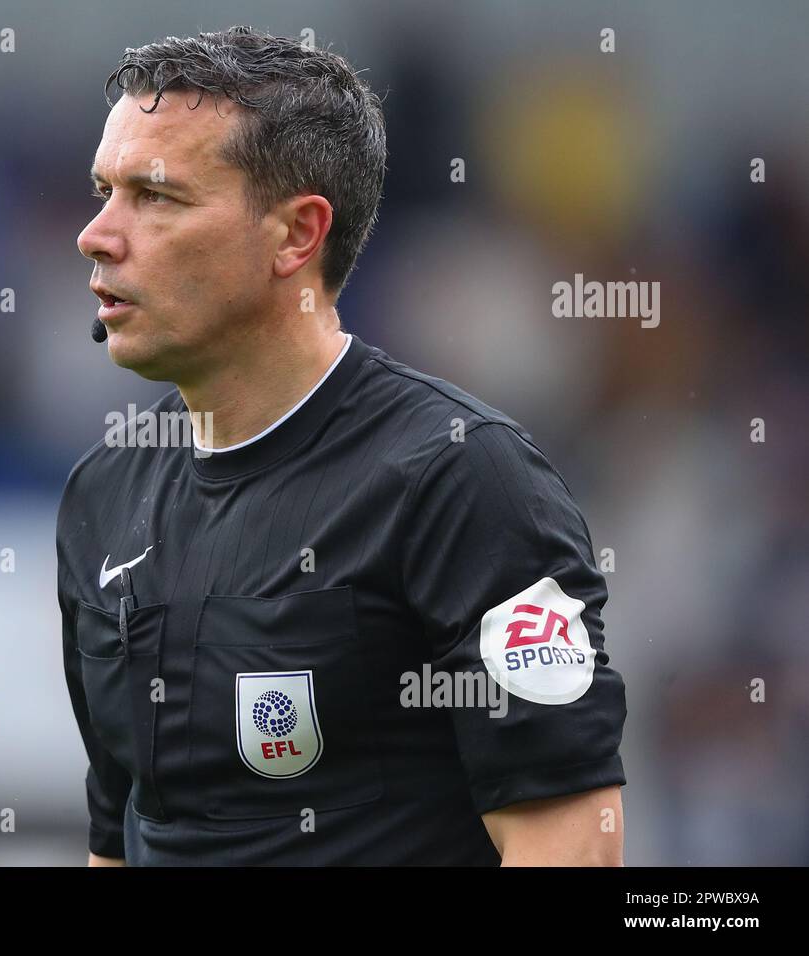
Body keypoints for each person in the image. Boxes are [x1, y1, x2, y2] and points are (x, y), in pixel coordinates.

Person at [58, 25, 627, 866]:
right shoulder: (101, 499)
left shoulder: (460, 480)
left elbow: (574, 846)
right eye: (103, 191)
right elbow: (121, 837)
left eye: (156, 197)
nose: (97, 235)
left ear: (296, 236)